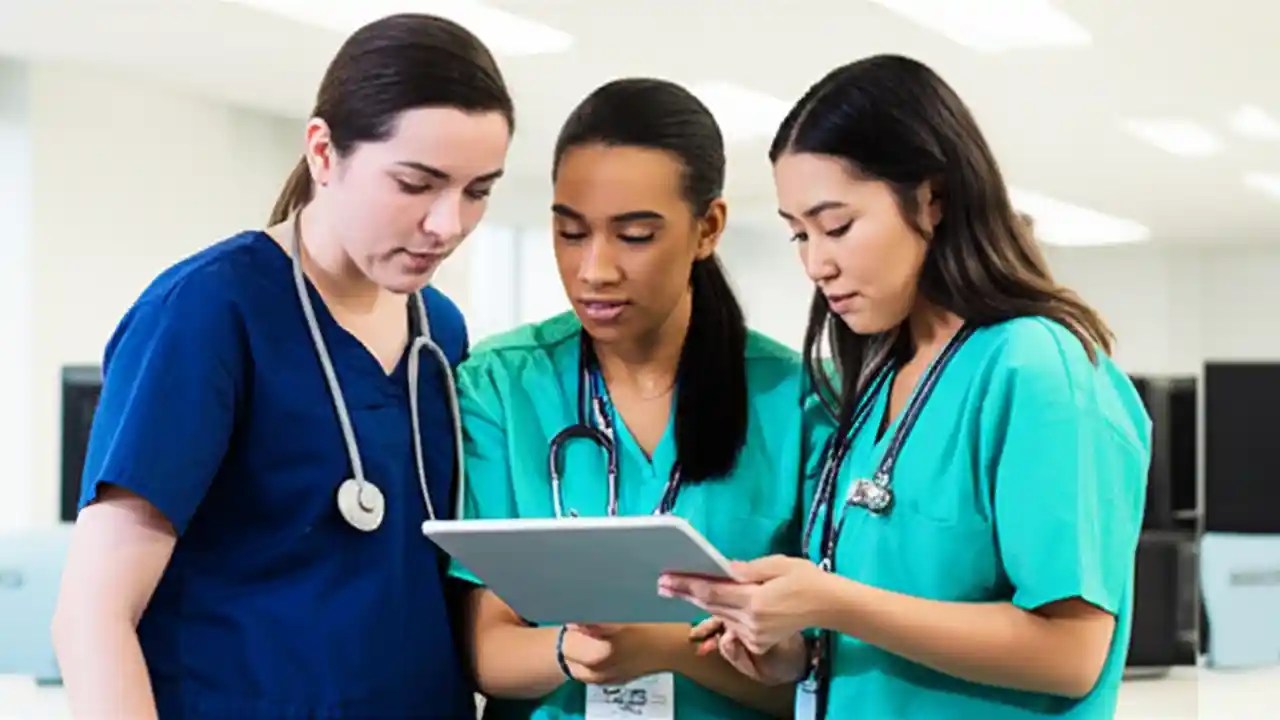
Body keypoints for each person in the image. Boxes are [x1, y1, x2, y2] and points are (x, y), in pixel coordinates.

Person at [660, 54, 1152, 720]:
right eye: (798, 234)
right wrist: (789, 650)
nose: (816, 263)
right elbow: (883, 624)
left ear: (933, 198)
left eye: (837, 227)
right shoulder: (873, 385)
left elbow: (1070, 654)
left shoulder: (1038, 371)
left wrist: (832, 600)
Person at [50, 13, 513, 719]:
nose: (447, 224)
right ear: (324, 153)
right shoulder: (209, 312)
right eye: (416, 183)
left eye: (477, 191)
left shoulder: (438, 333)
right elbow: (92, 616)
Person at [449, 78, 831, 719]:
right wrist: (574, 654)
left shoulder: (798, 402)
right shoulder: (501, 386)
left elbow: (814, 679)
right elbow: (487, 649)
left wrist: (663, 649)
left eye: (634, 236)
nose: (595, 269)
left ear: (707, 228)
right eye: (571, 233)